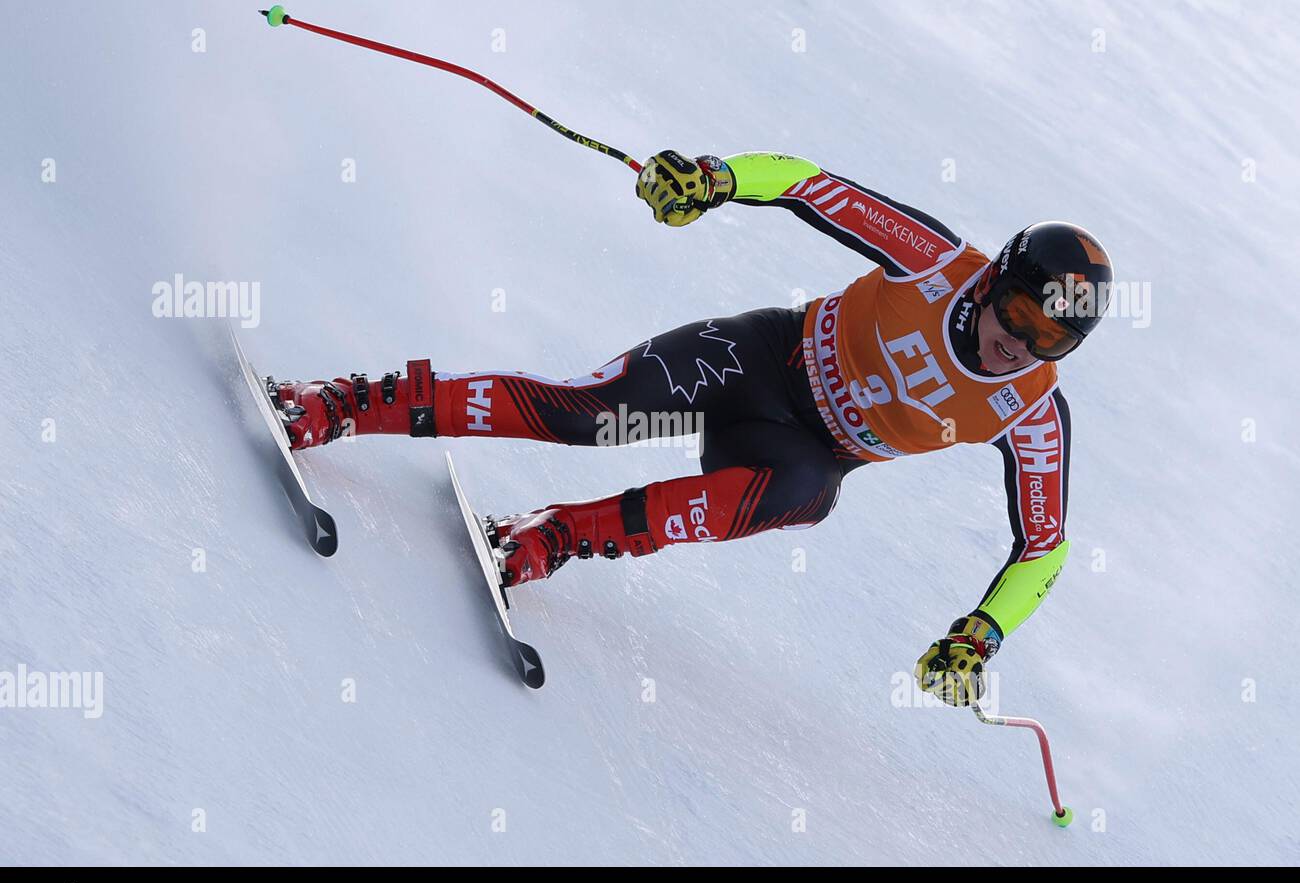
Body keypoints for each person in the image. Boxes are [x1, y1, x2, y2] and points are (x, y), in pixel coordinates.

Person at [270, 150, 1113, 707]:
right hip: (757, 363)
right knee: (584, 416)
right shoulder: (934, 259)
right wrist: (713, 179)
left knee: (799, 495)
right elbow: (811, 186)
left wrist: (982, 633)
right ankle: (342, 402)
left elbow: (1046, 547)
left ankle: (551, 536)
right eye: (1016, 315)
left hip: (796, 451)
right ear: (998, 280)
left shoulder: (1033, 408)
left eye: (1048, 341)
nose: (1016, 346)